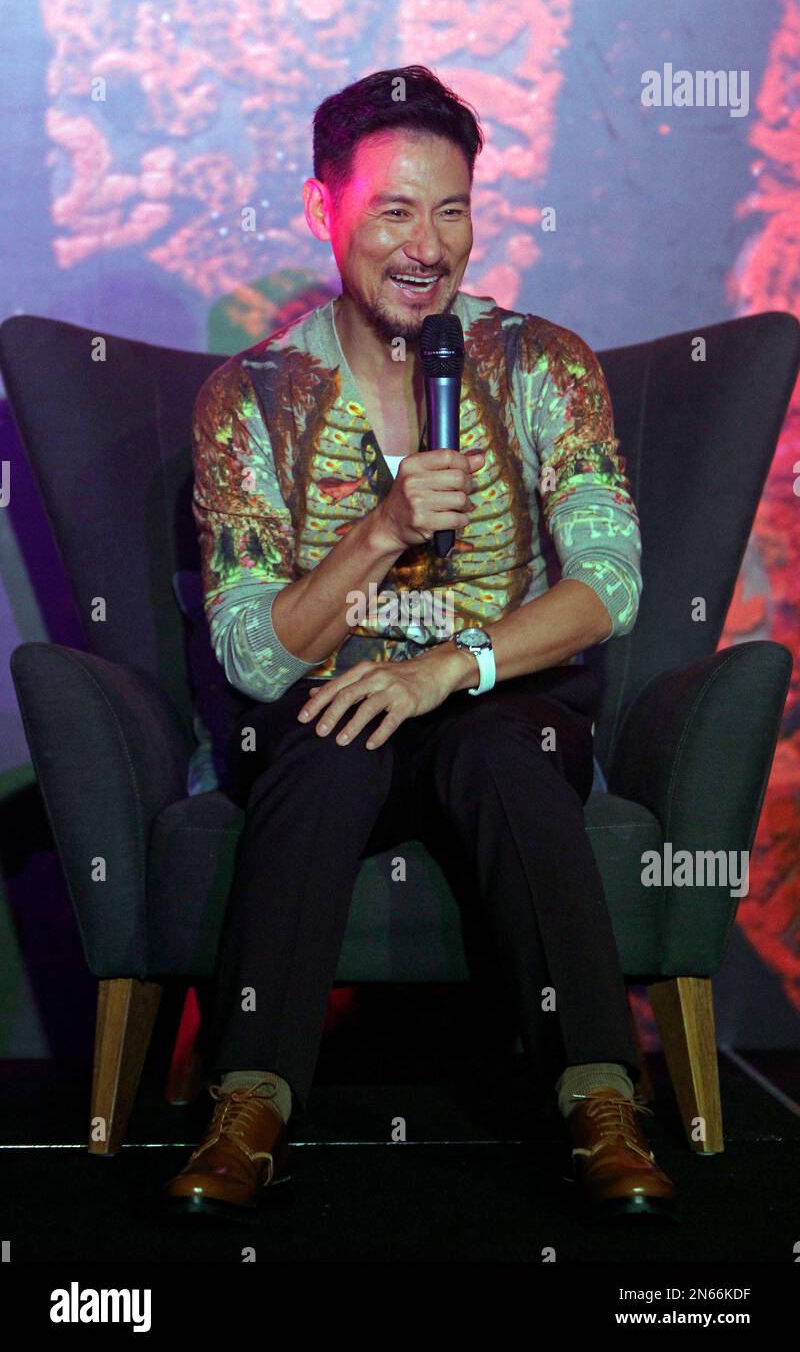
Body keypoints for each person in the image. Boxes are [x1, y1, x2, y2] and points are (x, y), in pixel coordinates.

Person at [162, 65, 676, 1226]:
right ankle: (247, 1105)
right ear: (320, 209)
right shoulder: (250, 395)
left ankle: (599, 1098)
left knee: (501, 748)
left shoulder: (541, 361)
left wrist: (451, 663)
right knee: (321, 743)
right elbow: (252, 651)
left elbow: (608, 584)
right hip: (325, 700)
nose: (425, 246)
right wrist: (379, 532)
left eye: (450, 210)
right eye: (393, 209)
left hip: (494, 692)